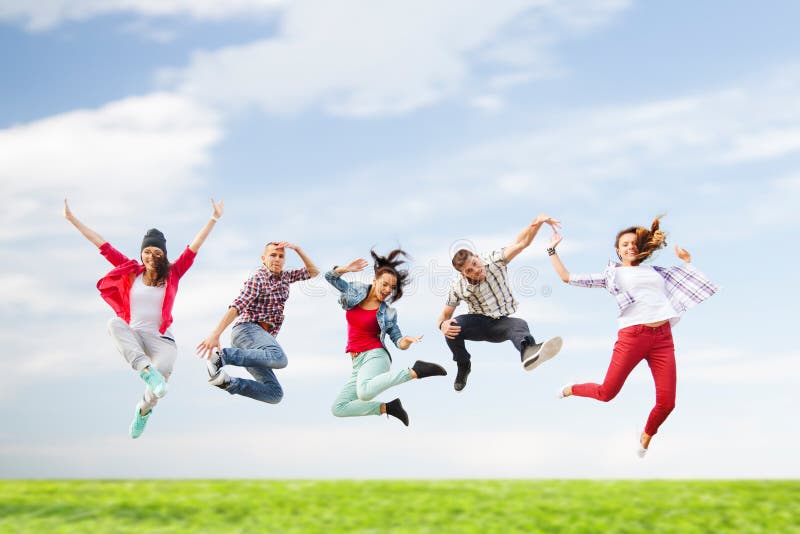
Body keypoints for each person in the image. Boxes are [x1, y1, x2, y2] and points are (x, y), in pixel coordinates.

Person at [547, 216, 718, 457]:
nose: (630, 246)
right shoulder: (612, 276)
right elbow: (567, 278)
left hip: (662, 339)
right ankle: (572, 388)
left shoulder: (657, 272)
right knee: (607, 393)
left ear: (640, 247)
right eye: (624, 244)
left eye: (633, 243)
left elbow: (683, 283)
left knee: (667, 403)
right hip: (632, 337)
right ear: (618, 251)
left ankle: (647, 434)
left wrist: (687, 262)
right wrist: (552, 249)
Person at [63, 197, 223, 438]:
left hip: (162, 341)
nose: (150, 256)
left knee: (161, 385)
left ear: (163, 254)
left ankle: (143, 410)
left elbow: (194, 247)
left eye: (156, 251)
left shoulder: (174, 273)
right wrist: (72, 219)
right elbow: (101, 244)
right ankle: (144, 369)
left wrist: (213, 219)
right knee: (114, 324)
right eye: (146, 251)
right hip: (135, 337)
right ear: (142, 254)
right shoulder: (131, 270)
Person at [436, 214, 564, 392]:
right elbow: (444, 315)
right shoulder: (458, 286)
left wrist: (537, 223)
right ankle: (463, 364)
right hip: (478, 323)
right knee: (452, 326)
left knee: (520, 325)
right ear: (463, 274)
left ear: (477, 257)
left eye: (475, 263)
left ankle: (529, 351)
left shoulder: (495, 260)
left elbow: (521, 243)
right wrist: (442, 325)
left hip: (500, 324)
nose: (475, 270)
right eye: (469, 270)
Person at [325, 249, 447, 426]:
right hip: (357, 361)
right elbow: (330, 277)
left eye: (392, 287)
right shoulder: (355, 291)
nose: (388, 290)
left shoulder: (388, 313)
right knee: (339, 408)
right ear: (374, 281)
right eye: (385, 284)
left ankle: (415, 371)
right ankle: (389, 408)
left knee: (364, 393)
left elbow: (398, 341)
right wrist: (346, 269)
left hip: (376, 355)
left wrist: (407, 340)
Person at [196, 241, 319, 404]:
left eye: (281, 256)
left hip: (257, 345)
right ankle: (222, 357)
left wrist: (298, 249)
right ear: (263, 258)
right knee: (279, 358)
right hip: (246, 330)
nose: (277, 259)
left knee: (275, 394)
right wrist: (215, 334)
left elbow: (314, 272)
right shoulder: (258, 278)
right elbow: (237, 306)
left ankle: (227, 383)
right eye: (273, 255)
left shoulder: (285, 277)